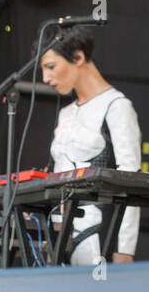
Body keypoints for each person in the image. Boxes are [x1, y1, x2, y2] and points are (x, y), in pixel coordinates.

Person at [39, 26, 142, 264]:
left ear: (78, 57)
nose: (46, 78)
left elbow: (133, 180)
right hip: (59, 237)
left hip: (99, 234)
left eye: (51, 67)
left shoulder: (116, 106)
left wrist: (125, 249)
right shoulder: (65, 113)